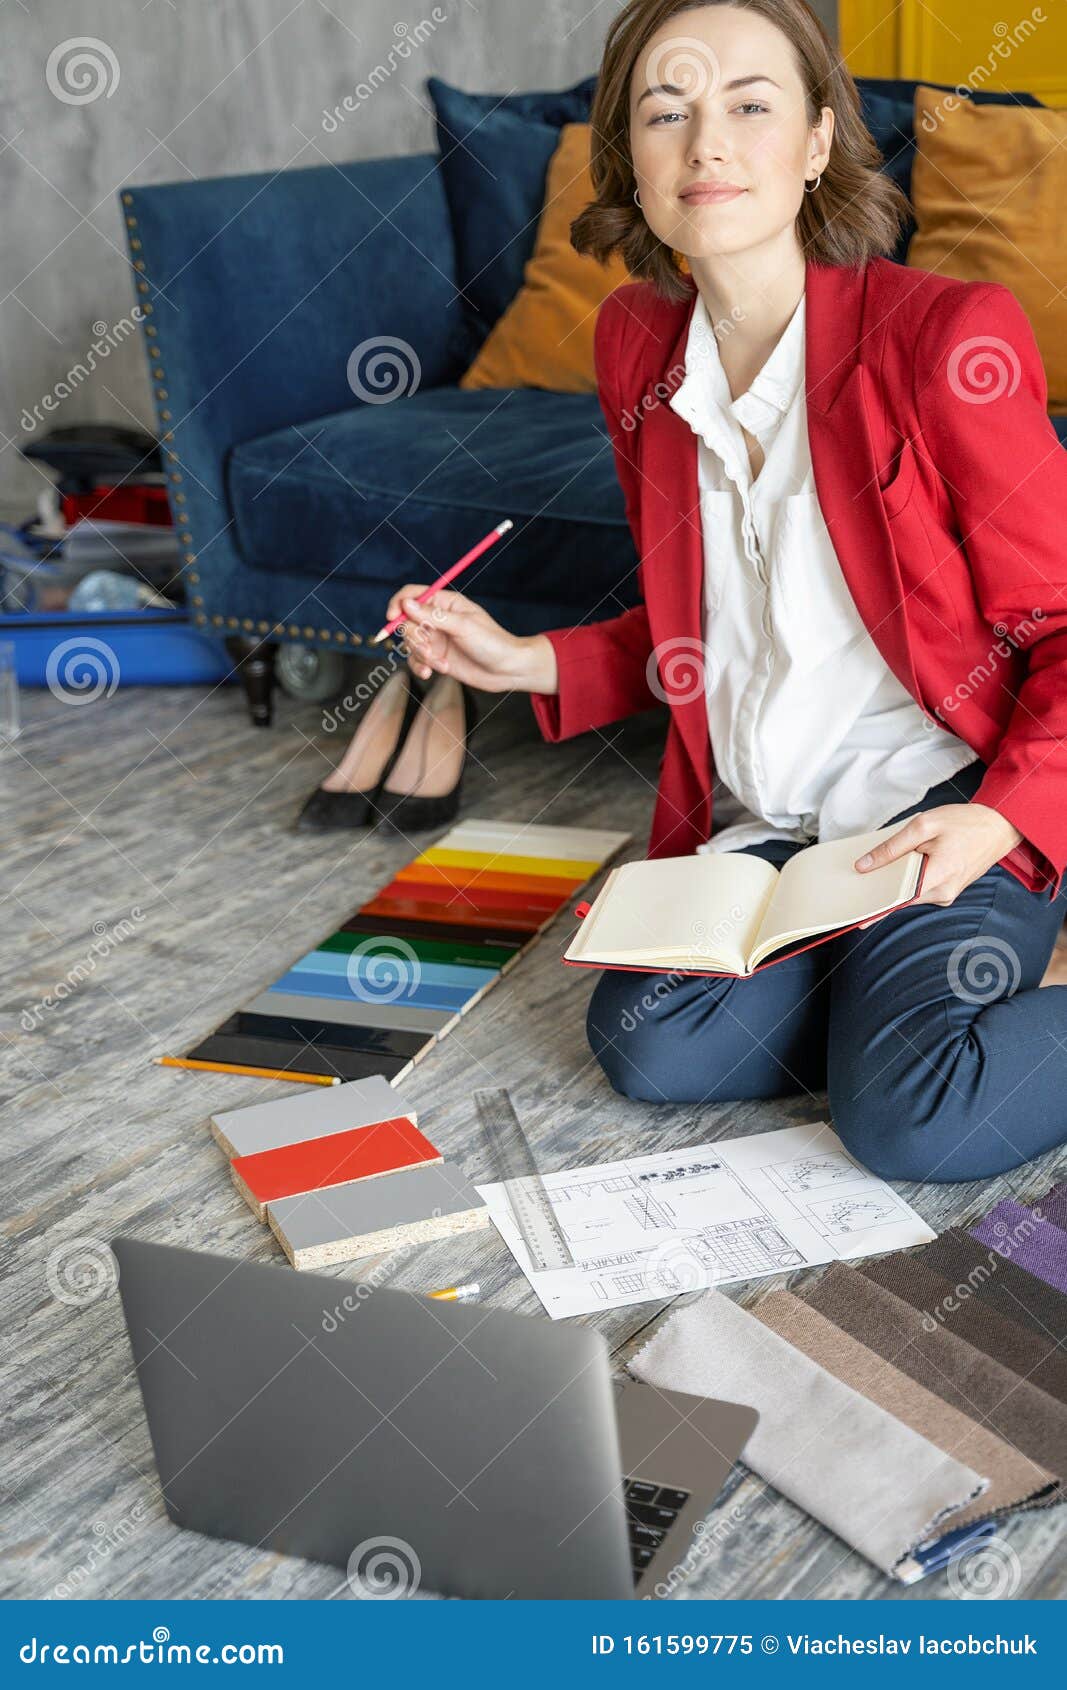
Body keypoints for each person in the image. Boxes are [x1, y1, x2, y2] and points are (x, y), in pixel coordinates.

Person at [380, 0, 1067, 1183]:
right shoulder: (635, 346)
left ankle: (955, 971)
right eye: (665, 113)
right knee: (648, 1044)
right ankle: (888, 984)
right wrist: (525, 659)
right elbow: (713, 625)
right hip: (779, 828)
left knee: (914, 1117)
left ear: (814, 142)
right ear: (629, 159)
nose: (706, 143)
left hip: (939, 802)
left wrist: (1002, 818)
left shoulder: (943, 336)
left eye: (749, 106)